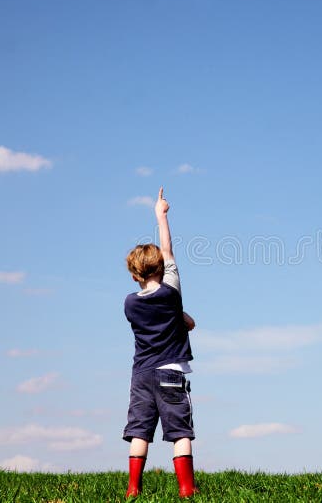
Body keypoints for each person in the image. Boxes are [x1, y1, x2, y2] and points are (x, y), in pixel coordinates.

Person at [122, 186, 198, 498]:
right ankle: (185, 488)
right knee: (180, 431)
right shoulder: (171, 294)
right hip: (170, 371)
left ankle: (133, 488)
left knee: (140, 431)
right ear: (161, 269)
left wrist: (181, 319)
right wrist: (161, 215)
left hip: (141, 375)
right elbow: (167, 251)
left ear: (134, 275)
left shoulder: (129, 303)